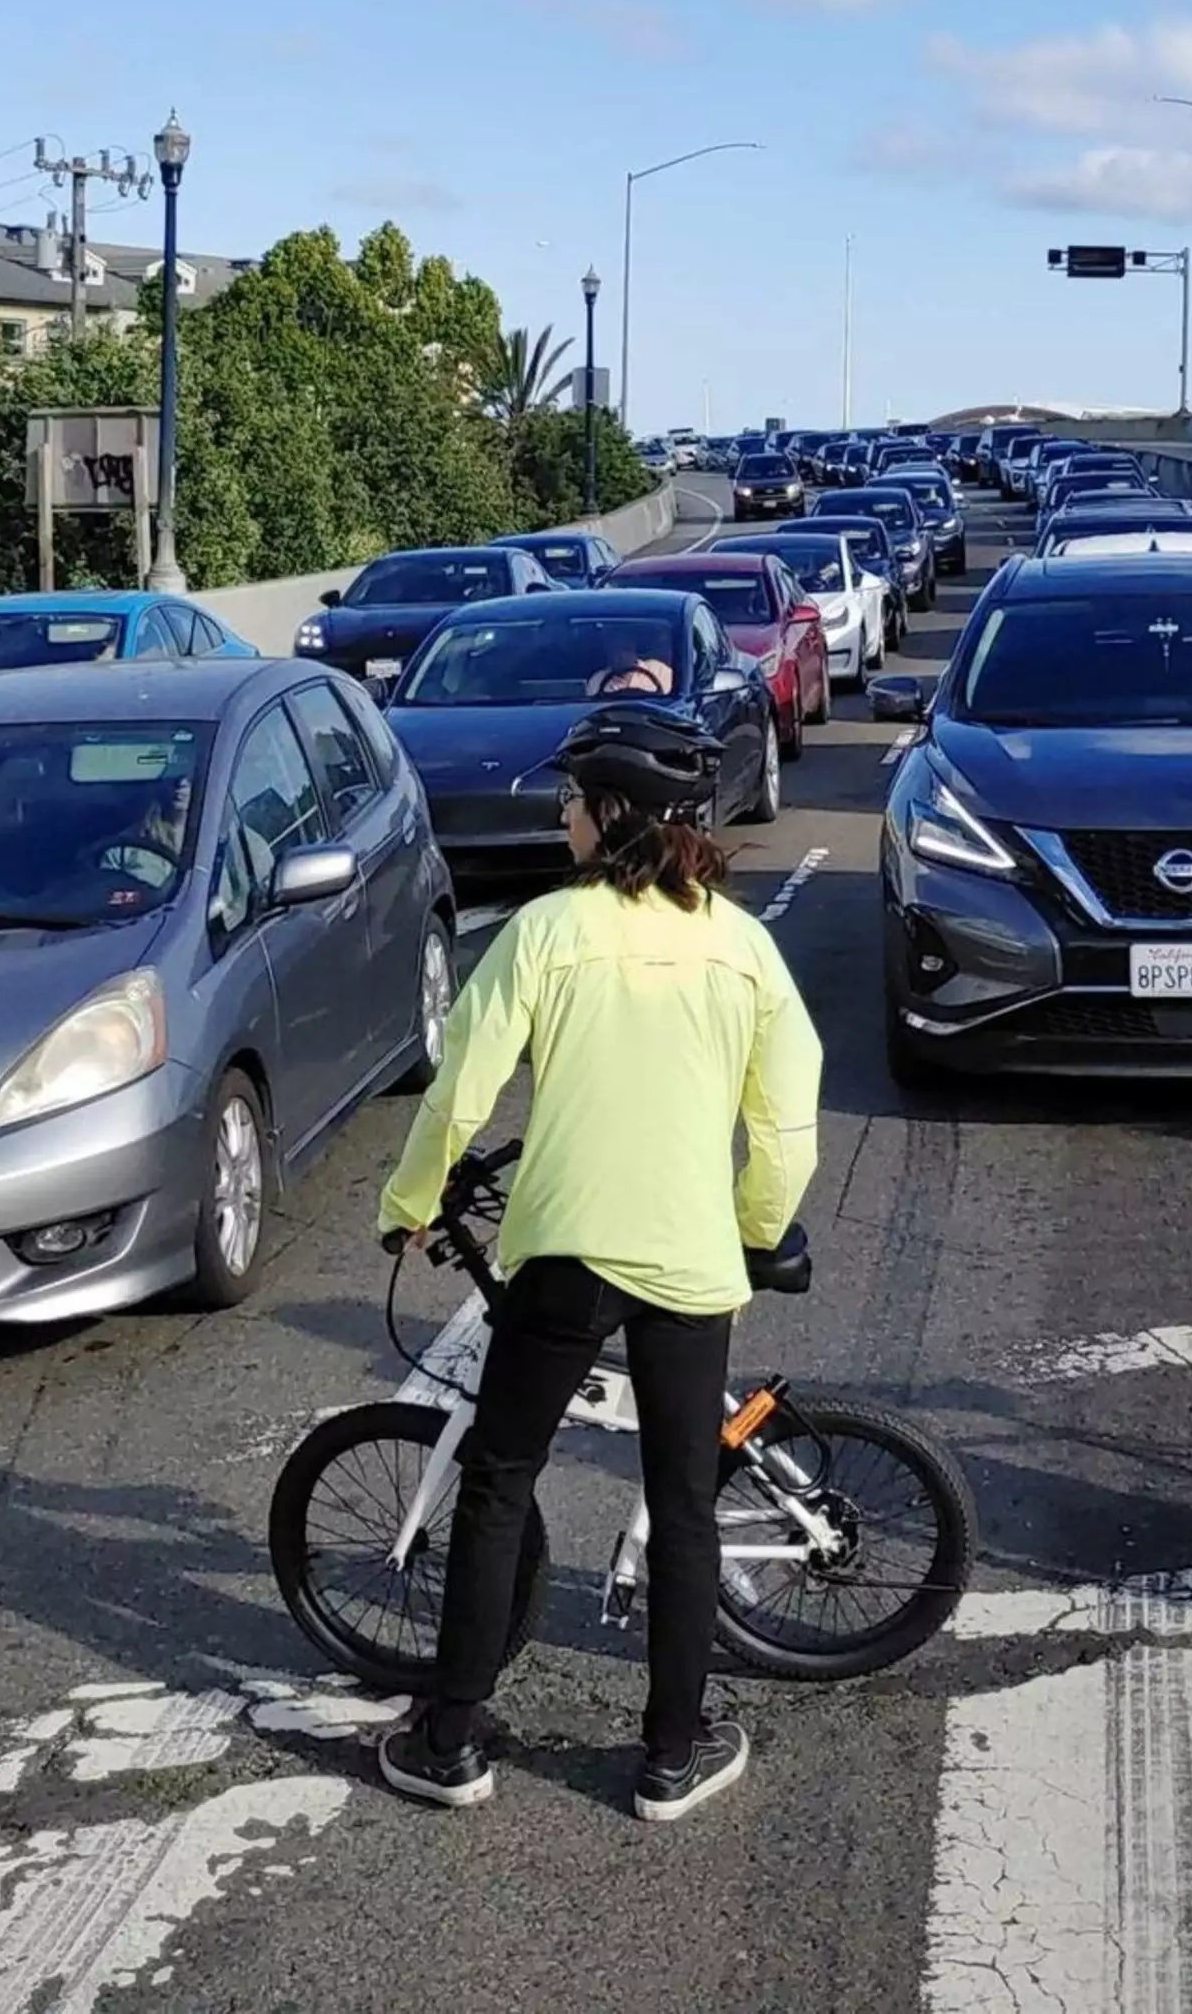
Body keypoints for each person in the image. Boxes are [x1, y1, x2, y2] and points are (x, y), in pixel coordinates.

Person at [371, 704, 823, 1826]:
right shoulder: (742, 943)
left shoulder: (545, 931)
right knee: (682, 1502)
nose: (564, 817)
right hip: (688, 1258)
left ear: (613, 813)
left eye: (575, 800)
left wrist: (410, 1202)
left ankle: (453, 1735)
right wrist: (760, 1230)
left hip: (565, 1249)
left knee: (499, 1475)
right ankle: (670, 1754)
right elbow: (788, 1120)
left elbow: (461, 1087)